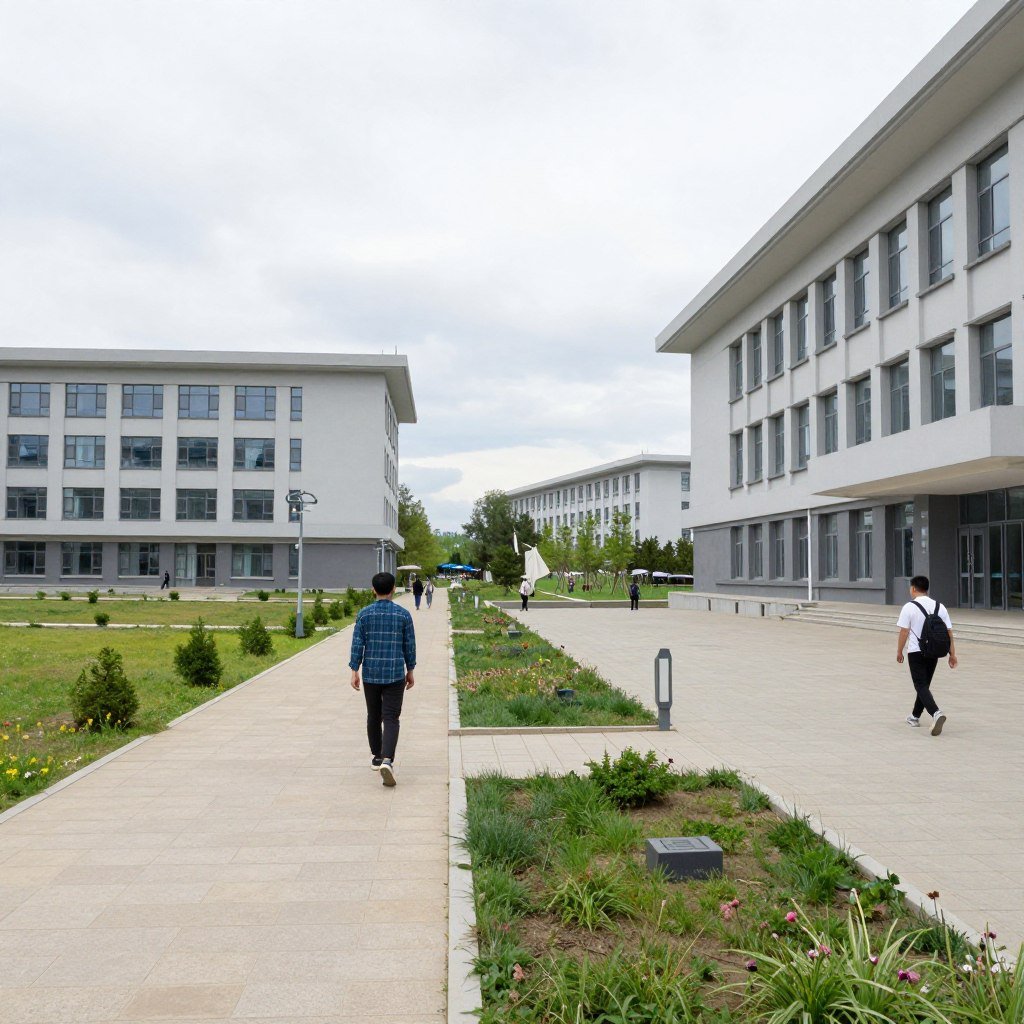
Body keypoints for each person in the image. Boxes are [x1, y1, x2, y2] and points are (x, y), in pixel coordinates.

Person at [349, 571, 416, 786]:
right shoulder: (403, 615)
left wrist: (354, 669)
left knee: (373, 715)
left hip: (371, 673)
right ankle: (388, 760)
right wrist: (410, 669)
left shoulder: (364, 614)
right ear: (393, 589)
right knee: (391, 717)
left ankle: (377, 757)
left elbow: (358, 643)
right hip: (395, 673)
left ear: (373, 590)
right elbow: (409, 645)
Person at [896, 574, 957, 735]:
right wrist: (952, 654)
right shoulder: (940, 607)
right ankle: (914, 716)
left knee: (920, 685)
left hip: (916, 651)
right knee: (924, 685)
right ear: (926, 589)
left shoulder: (909, 607)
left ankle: (936, 713)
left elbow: (904, 632)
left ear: (913, 588)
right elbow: (949, 632)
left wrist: (899, 651)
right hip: (934, 650)